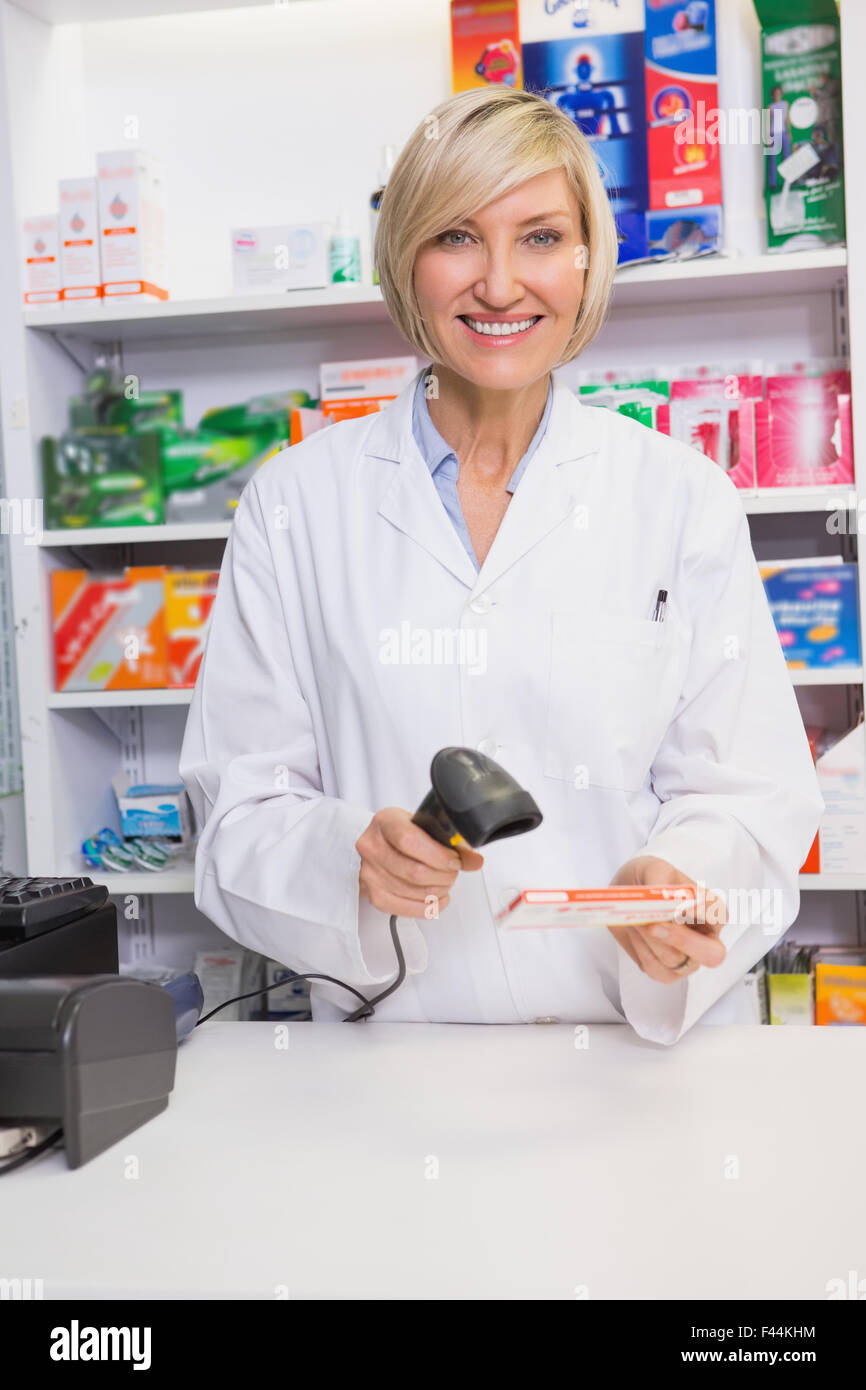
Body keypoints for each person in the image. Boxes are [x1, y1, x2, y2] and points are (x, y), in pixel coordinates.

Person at [179, 86, 823, 1044]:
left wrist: (682, 879)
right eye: (456, 237)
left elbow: (750, 791)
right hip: (390, 1056)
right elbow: (238, 808)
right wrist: (347, 858)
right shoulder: (294, 502)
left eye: (541, 237)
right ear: (405, 260)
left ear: (587, 258)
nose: (499, 284)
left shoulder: (680, 495)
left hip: (630, 1058)